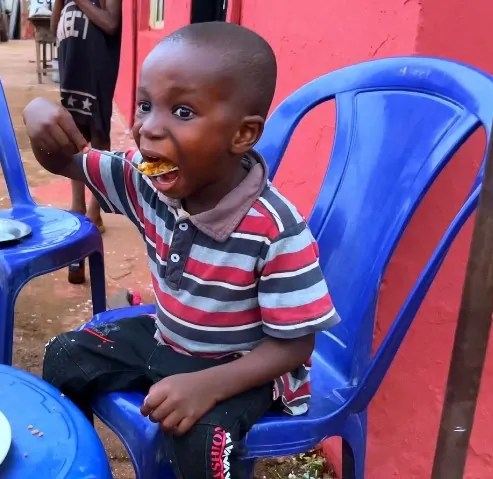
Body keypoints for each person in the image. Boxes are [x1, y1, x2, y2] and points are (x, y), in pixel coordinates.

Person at [23, 22, 341, 478]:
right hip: (167, 339)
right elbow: (67, 162)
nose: (149, 128)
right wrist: (39, 117)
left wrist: (208, 386)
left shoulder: (275, 230)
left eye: (183, 111)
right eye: (145, 105)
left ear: (242, 135)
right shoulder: (147, 182)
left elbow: (295, 345)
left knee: (199, 439)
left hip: (243, 369)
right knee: (64, 356)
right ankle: (78, 467)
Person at [51, 0, 121, 284]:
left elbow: (111, 24)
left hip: (97, 70)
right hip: (71, 67)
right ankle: (77, 207)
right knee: (74, 135)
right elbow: (55, 27)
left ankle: (94, 212)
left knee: (98, 135)